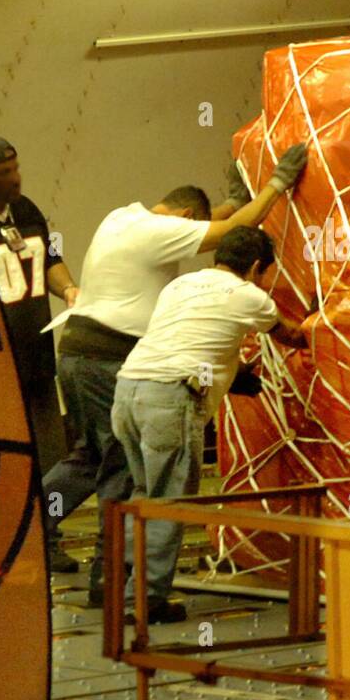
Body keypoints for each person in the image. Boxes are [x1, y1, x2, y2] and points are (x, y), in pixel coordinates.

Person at [44, 146, 308, 606]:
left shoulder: (125, 223)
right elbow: (227, 231)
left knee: (113, 473)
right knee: (148, 493)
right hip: (120, 369)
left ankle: (109, 585)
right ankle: (135, 598)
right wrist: (276, 187)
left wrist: (232, 200)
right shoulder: (234, 286)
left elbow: (211, 233)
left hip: (107, 370)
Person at [112, 226, 307, 623]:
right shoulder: (251, 297)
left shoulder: (180, 286)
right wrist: (322, 317)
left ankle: (124, 592)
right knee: (170, 501)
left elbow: (190, 338)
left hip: (128, 390)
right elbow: (295, 338)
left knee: (143, 495)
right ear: (255, 267)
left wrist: (231, 374)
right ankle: (144, 602)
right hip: (170, 399)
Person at [0, 136, 79, 573]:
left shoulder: (25, 210)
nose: (16, 178)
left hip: (36, 357)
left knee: (50, 457)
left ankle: (47, 539)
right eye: (4, 172)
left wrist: (68, 289)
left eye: (16, 168)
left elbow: (50, 257)